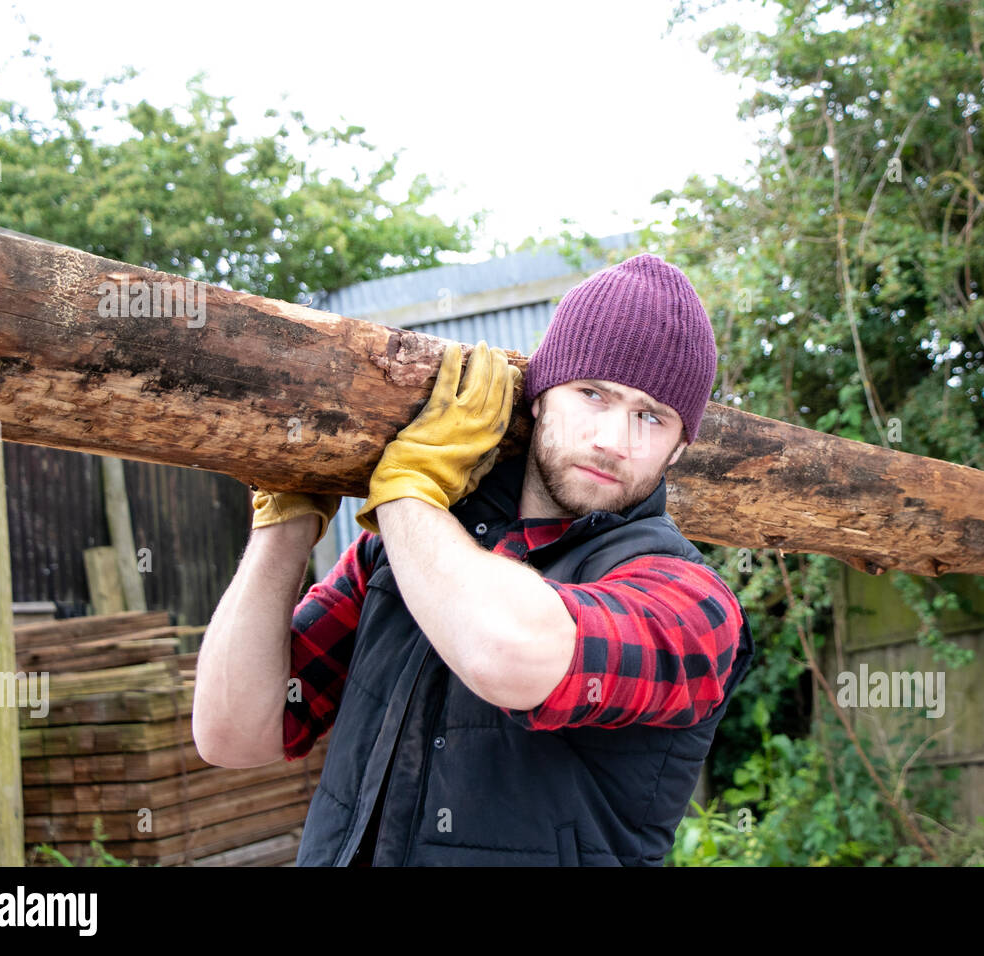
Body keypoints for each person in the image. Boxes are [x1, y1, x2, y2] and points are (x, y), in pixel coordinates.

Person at [193, 252, 755, 866]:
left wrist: (407, 486)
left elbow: (504, 652)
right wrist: (288, 521)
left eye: (651, 417)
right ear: (541, 395)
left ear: (678, 448)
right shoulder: (396, 550)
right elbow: (233, 733)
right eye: (593, 394)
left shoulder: (690, 599)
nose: (613, 441)